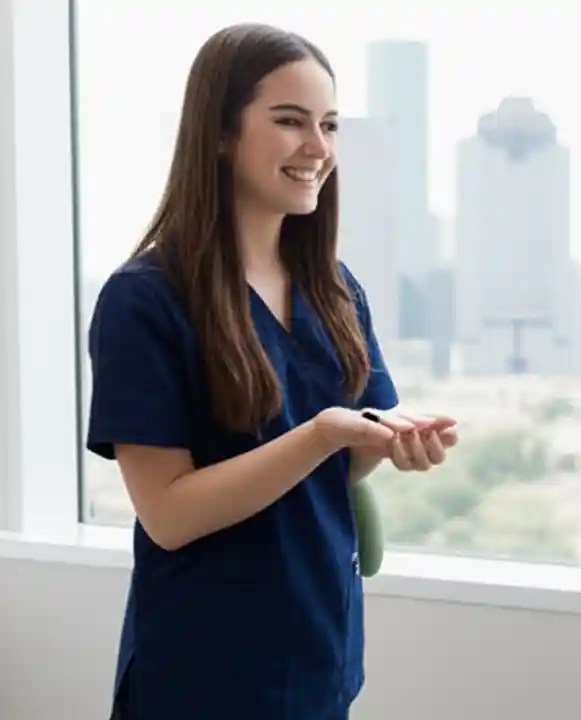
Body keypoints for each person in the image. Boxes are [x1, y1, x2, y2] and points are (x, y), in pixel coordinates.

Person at [87, 24, 457, 719]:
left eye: (330, 125)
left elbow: (340, 465)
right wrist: (323, 434)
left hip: (319, 655)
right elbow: (168, 514)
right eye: (290, 122)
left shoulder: (335, 290)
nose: (319, 148)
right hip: (205, 673)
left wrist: (380, 443)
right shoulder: (145, 300)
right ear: (221, 133)